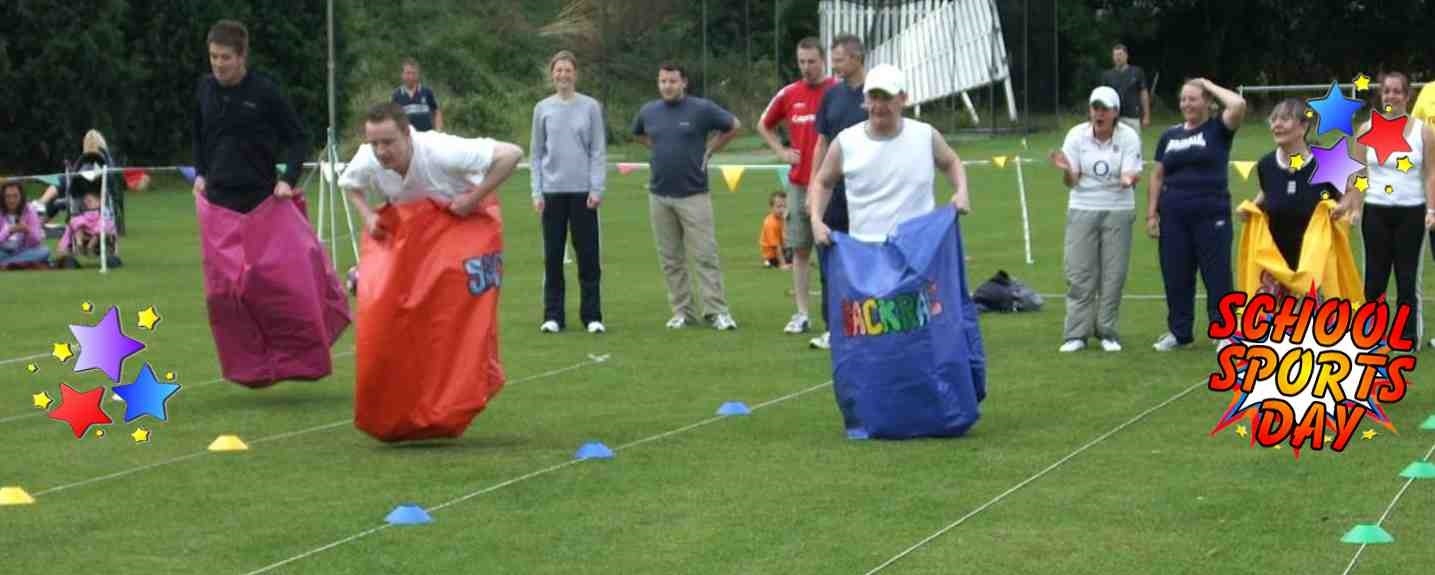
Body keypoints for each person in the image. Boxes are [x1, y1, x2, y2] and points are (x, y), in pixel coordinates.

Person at [807, 63, 979, 437]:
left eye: (887, 97)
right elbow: (822, 181)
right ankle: (874, 412)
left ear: (903, 99)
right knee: (874, 342)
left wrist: (960, 190)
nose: (879, 105)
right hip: (864, 261)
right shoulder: (847, 142)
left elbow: (951, 162)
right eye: (873, 97)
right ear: (865, 100)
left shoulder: (924, 135)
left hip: (920, 256)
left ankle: (934, 409)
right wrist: (817, 220)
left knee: (923, 336)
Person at [631, 62, 741, 331]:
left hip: (694, 194)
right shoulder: (649, 111)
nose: (667, 86)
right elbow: (638, 134)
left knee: (705, 255)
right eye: (663, 81)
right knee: (670, 259)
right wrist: (659, 149)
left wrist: (711, 148)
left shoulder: (701, 109)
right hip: (659, 194)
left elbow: (734, 126)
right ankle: (682, 312)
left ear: (684, 83)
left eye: (672, 81)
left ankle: (716, 311)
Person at [1148, 77, 1246, 351]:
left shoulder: (1218, 129)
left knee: (1217, 274)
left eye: (1193, 98)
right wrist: (1151, 214)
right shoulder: (1169, 135)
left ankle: (1224, 331)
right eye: (1183, 99)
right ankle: (1179, 332)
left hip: (1211, 214)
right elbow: (1157, 175)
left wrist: (1206, 83)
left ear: (1207, 102)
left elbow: (1238, 103)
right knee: (1176, 275)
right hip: (1173, 217)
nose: (1186, 104)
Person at [1344, 72, 1435, 350]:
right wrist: (1354, 206)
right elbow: (1357, 171)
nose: (1391, 97)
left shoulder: (1424, 132)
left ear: (1407, 97)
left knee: (1408, 281)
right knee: (1374, 279)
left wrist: (1432, 208)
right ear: (1381, 96)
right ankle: (1371, 336)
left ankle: (1407, 338)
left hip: (1412, 213)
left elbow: (1432, 173)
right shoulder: (1365, 130)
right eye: (1387, 91)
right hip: (1376, 213)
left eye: (1397, 92)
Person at [1048, 86, 1142, 353]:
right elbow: (1072, 181)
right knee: (1079, 273)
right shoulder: (1076, 135)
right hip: (1082, 207)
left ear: (1115, 112)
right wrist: (1066, 171)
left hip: (1118, 210)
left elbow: (1129, 176)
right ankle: (1076, 334)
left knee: (1113, 274)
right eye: (1095, 108)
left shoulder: (1128, 137)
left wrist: (1128, 179)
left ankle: (1107, 332)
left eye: (1104, 109)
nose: (1099, 114)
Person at [756, 36, 836, 334]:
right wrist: (780, 151)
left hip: (832, 185)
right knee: (800, 251)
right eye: (801, 62)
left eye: (811, 61)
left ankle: (837, 314)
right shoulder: (789, 93)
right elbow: (763, 124)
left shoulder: (837, 92)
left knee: (834, 250)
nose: (806, 67)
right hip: (799, 184)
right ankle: (802, 313)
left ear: (823, 59)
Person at [192, 20, 307, 214]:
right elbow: (197, 135)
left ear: (241, 56)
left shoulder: (265, 91)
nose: (218, 64)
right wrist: (200, 173)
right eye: (214, 56)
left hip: (260, 201)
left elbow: (298, 138)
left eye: (225, 57)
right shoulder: (204, 88)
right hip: (217, 200)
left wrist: (288, 180)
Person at [341, 102, 522, 225]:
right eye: (374, 143)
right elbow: (350, 184)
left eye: (388, 142)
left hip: (464, 231)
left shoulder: (441, 151)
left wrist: (472, 199)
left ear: (407, 133)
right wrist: (369, 216)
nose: (380, 151)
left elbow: (511, 154)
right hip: (419, 237)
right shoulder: (367, 157)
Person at [531, 50, 606, 335]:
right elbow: (536, 153)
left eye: (567, 70)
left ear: (575, 74)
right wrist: (537, 191)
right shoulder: (542, 109)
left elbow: (598, 150)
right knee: (552, 256)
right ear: (552, 75)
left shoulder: (590, 107)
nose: (563, 75)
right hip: (552, 192)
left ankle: (592, 316)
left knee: (587, 255)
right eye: (558, 70)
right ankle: (553, 316)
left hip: (583, 193)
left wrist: (596, 187)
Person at [806, 34, 870, 350]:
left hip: (868, 194)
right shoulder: (831, 95)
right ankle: (833, 329)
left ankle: (867, 324)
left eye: (840, 59)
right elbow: (821, 143)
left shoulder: (877, 96)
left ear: (857, 58)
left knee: (866, 260)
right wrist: (813, 188)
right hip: (833, 193)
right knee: (829, 260)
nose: (834, 65)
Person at [1248, 98, 1343, 282]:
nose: (1276, 125)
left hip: (1318, 267)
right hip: (1276, 265)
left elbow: (1348, 198)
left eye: (1284, 119)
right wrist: (1250, 208)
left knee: (1316, 311)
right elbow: (1266, 194)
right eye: (1273, 119)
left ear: (1303, 126)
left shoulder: (1326, 161)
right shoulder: (1266, 164)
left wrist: (1346, 211)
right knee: (1274, 311)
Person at [55, 190, 119, 266]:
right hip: (86, 233)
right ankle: (79, 244)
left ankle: (90, 246)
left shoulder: (104, 212)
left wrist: (94, 234)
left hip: (100, 234)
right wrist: (63, 245)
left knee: (102, 228)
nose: (86, 202)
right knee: (76, 225)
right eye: (85, 200)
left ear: (99, 202)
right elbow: (71, 228)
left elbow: (107, 225)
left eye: (90, 201)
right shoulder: (85, 214)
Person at [1100, 43, 1150, 132]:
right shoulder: (1107, 75)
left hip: (1132, 117)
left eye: (1120, 54)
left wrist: (1146, 116)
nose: (1118, 57)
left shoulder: (1137, 72)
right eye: (1115, 55)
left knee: (1134, 143)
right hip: (1113, 117)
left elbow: (1144, 94)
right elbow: (1103, 98)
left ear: (1126, 56)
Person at [0, 180, 50, 268]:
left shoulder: (30, 211)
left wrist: (27, 230)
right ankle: (18, 263)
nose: (12, 200)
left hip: (23, 250)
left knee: (44, 251)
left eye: (15, 196)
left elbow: (37, 240)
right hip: (2, 250)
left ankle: (7, 264)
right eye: (8, 196)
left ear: (21, 196)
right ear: (3, 197)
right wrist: (8, 231)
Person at [393, 58, 443, 133]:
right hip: (407, 137)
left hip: (427, 136)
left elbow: (436, 111)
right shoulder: (397, 94)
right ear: (402, 75)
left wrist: (438, 130)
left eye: (413, 73)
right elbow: (394, 117)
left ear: (418, 75)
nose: (411, 76)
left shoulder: (427, 92)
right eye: (408, 73)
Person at [760, 191, 791, 269]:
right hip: (772, 255)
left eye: (785, 206)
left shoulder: (784, 218)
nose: (782, 209)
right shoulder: (770, 223)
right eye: (779, 207)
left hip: (783, 249)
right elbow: (776, 247)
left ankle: (796, 261)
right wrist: (782, 264)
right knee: (796, 263)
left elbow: (787, 238)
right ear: (771, 207)